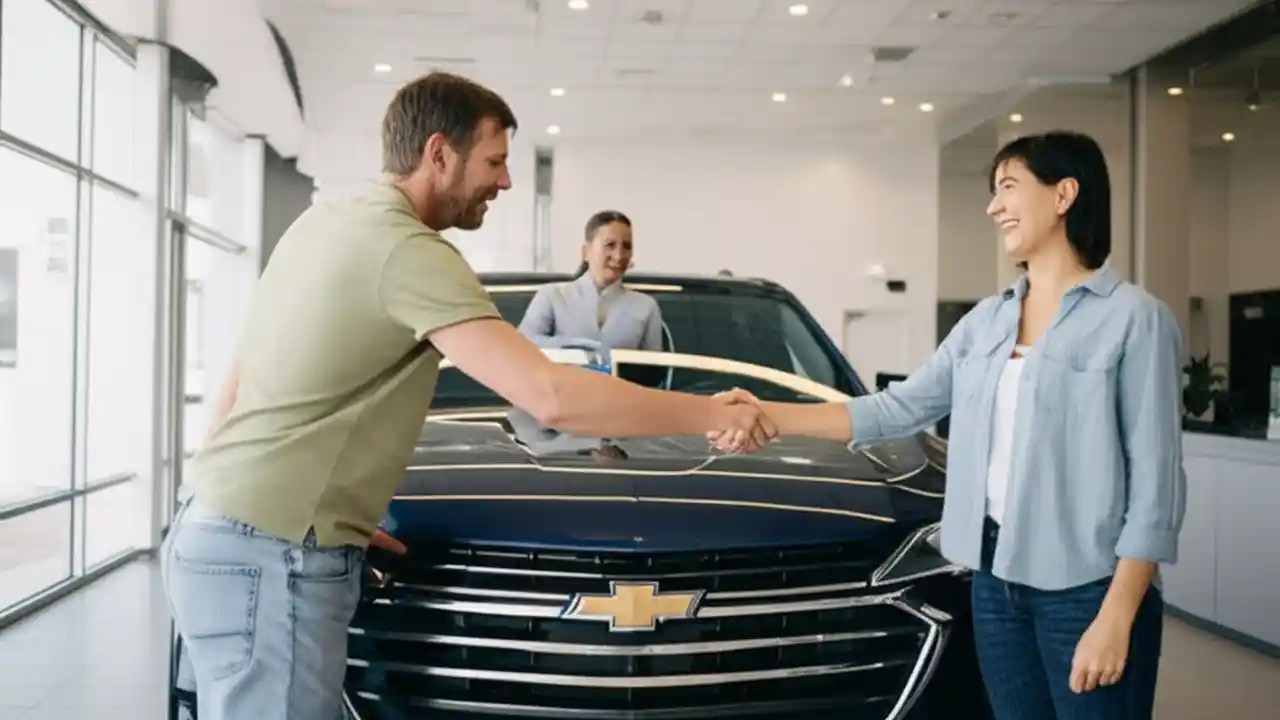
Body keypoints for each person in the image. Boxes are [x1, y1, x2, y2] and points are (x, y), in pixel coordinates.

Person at [160, 71, 774, 720]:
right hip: (273, 557)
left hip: (222, 527)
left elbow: (241, 376)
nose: (506, 181)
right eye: (496, 160)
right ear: (438, 154)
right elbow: (551, 397)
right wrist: (712, 411)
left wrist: (319, 508)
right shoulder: (408, 250)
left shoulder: (326, 224)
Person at [712, 131, 1185, 720]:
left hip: (1087, 589)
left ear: (1064, 194)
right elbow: (895, 409)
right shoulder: (986, 322)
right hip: (993, 582)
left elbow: (1156, 490)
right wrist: (770, 415)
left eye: (1008, 187)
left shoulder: (1136, 320)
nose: (993, 207)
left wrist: (1118, 615)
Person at [518, 210, 665, 351]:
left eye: (627, 247)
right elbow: (523, 345)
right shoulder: (552, 296)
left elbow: (654, 367)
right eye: (610, 245)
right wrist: (580, 346)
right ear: (586, 251)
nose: (619, 256)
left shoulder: (646, 307)